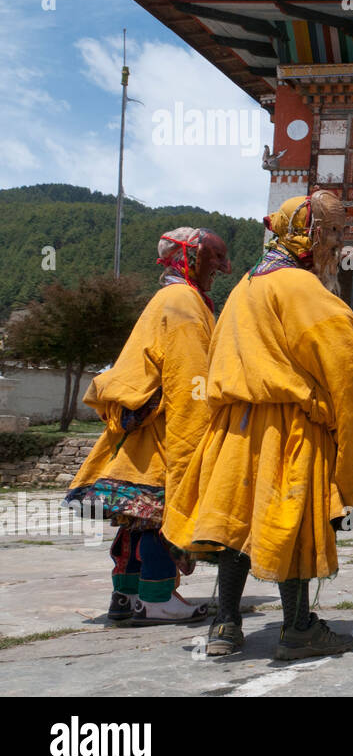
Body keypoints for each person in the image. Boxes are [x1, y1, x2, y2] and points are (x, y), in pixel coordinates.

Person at [163, 192, 353, 661]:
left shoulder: (244, 285)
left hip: (234, 426)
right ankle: (298, 626)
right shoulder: (303, 290)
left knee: (236, 528)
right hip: (288, 425)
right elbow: (346, 374)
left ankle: (225, 626)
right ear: (315, 235)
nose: (335, 245)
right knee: (294, 525)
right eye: (333, 235)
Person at [65, 228, 231, 626]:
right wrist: (195, 449)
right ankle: (156, 597)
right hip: (164, 433)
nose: (216, 273)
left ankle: (124, 598)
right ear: (191, 259)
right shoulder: (184, 301)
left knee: (136, 519)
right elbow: (189, 379)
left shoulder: (167, 298)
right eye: (212, 264)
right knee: (157, 516)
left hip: (137, 436)